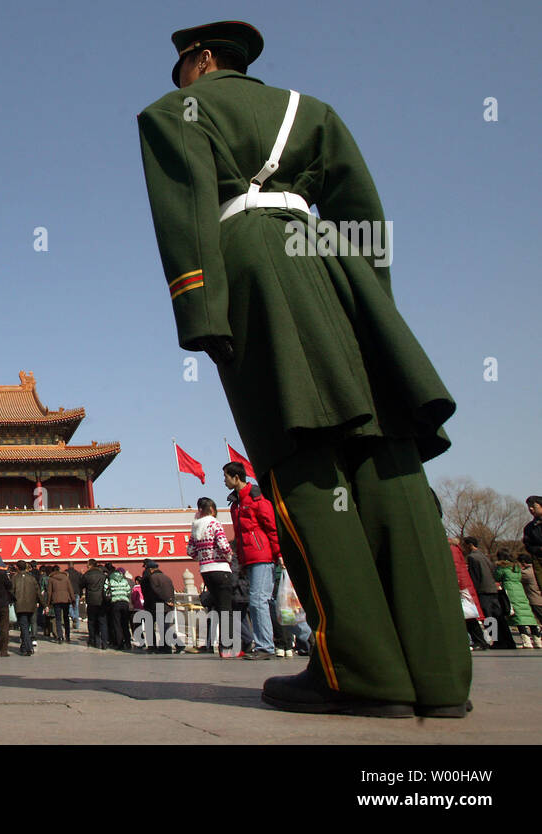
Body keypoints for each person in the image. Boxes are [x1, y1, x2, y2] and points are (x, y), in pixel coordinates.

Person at [139, 19, 471, 717]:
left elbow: (187, 209)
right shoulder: (312, 112)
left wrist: (200, 307)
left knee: (304, 461)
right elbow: (362, 213)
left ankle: (361, 672)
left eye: (182, 67)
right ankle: (441, 677)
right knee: (390, 459)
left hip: (254, 269)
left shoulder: (177, 111)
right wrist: (370, 305)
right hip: (333, 267)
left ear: (199, 60)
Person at [221, 463, 279, 660]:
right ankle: (268, 644)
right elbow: (239, 537)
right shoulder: (236, 505)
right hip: (249, 558)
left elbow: (271, 527)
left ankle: (266, 646)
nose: (224, 481)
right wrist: (243, 562)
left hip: (262, 555)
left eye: (226, 477)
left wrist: (278, 553)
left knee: (258, 601)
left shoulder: (256, 498)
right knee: (260, 602)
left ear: (236, 477)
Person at [187, 498, 238, 656]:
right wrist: (230, 557)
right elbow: (223, 545)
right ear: (212, 510)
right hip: (220, 568)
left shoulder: (195, 527)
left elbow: (190, 551)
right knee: (226, 609)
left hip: (205, 570)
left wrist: (202, 556)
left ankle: (220, 645)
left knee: (217, 606)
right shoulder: (215, 524)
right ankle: (227, 647)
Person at [463, 537, 508, 649]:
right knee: (499, 616)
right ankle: (508, 641)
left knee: (489, 617)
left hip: (483, 590)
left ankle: (497, 641)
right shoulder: (483, 556)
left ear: (469, 545)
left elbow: (474, 577)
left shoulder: (472, 557)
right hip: (492, 589)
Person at [495, 553, 540, 649]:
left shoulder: (502, 568)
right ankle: (537, 640)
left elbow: (497, 577)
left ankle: (526, 641)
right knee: (529, 616)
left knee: (518, 617)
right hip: (520, 591)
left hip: (510, 592)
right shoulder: (517, 568)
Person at [140, 560, 177, 653]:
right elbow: (172, 590)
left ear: (150, 569)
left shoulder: (152, 578)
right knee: (165, 626)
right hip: (167, 605)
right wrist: (170, 601)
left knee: (159, 627)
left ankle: (162, 647)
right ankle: (177, 644)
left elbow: (156, 591)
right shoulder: (166, 577)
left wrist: (166, 600)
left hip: (157, 604)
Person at [12, 560, 44, 656]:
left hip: (20, 606)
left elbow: (11, 591)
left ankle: (29, 648)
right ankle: (24, 646)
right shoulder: (32, 578)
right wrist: (44, 604)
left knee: (24, 627)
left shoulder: (14, 578)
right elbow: (38, 592)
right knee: (29, 624)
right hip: (32, 605)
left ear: (17, 567)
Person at [80, 559, 109, 649]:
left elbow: (81, 585)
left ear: (90, 565)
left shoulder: (87, 575)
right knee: (102, 622)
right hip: (101, 601)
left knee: (92, 622)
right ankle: (104, 642)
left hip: (91, 601)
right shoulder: (102, 575)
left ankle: (93, 641)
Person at [106, 564, 133, 650]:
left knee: (117, 624)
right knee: (125, 623)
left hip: (115, 603)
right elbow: (129, 591)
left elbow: (106, 592)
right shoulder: (124, 581)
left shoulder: (109, 580)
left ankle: (120, 643)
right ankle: (128, 642)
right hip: (124, 603)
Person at [45, 564, 74, 644]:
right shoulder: (66, 578)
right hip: (66, 600)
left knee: (58, 619)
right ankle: (67, 636)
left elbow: (49, 592)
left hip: (56, 600)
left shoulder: (51, 579)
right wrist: (73, 599)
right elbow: (70, 589)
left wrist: (48, 603)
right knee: (66, 618)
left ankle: (60, 636)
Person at [524, 497, 542, 595]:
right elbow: (528, 546)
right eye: (529, 507)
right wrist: (538, 549)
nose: (531, 509)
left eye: (533, 506)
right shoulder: (529, 528)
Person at [66, 561, 83, 632]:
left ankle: (73, 617)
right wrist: (81, 593)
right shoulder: (78, 573)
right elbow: (81, 584)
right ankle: (76, 625)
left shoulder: (66, 573)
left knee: (69, 606)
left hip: (69, 592)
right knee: (76, 607)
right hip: (77, 592)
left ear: (68, 565)